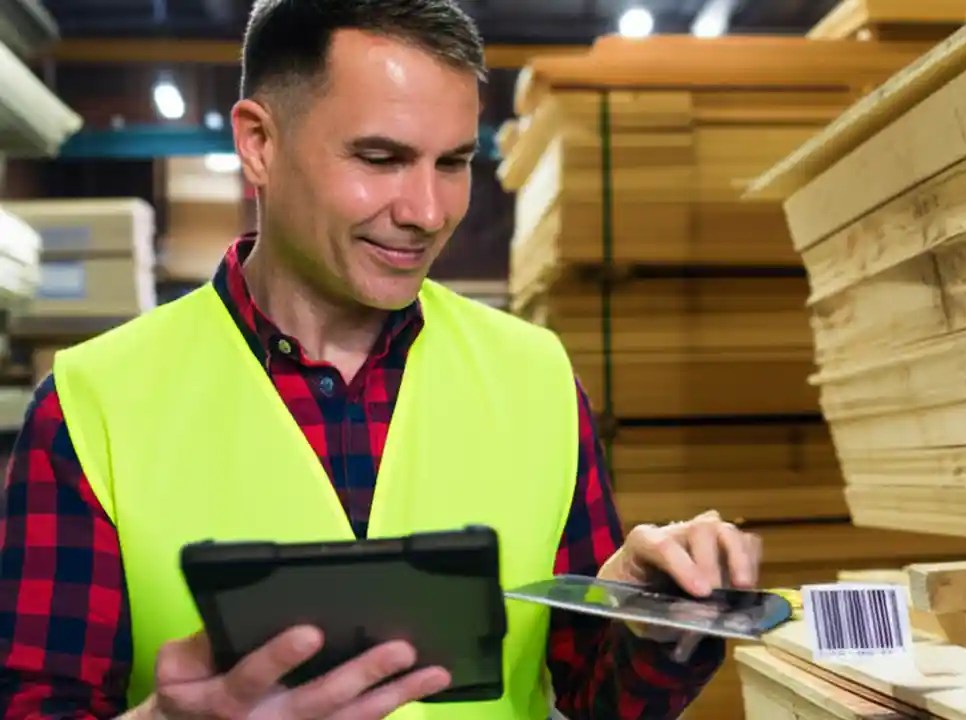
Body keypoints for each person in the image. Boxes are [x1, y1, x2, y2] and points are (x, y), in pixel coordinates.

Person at [0, 1, 765, 718]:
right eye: (381, 157)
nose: (427, 213)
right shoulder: (94, 404)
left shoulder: (532, 375)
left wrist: (651, 622)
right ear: (258, 144)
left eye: (453, 162)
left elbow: (599, 697)